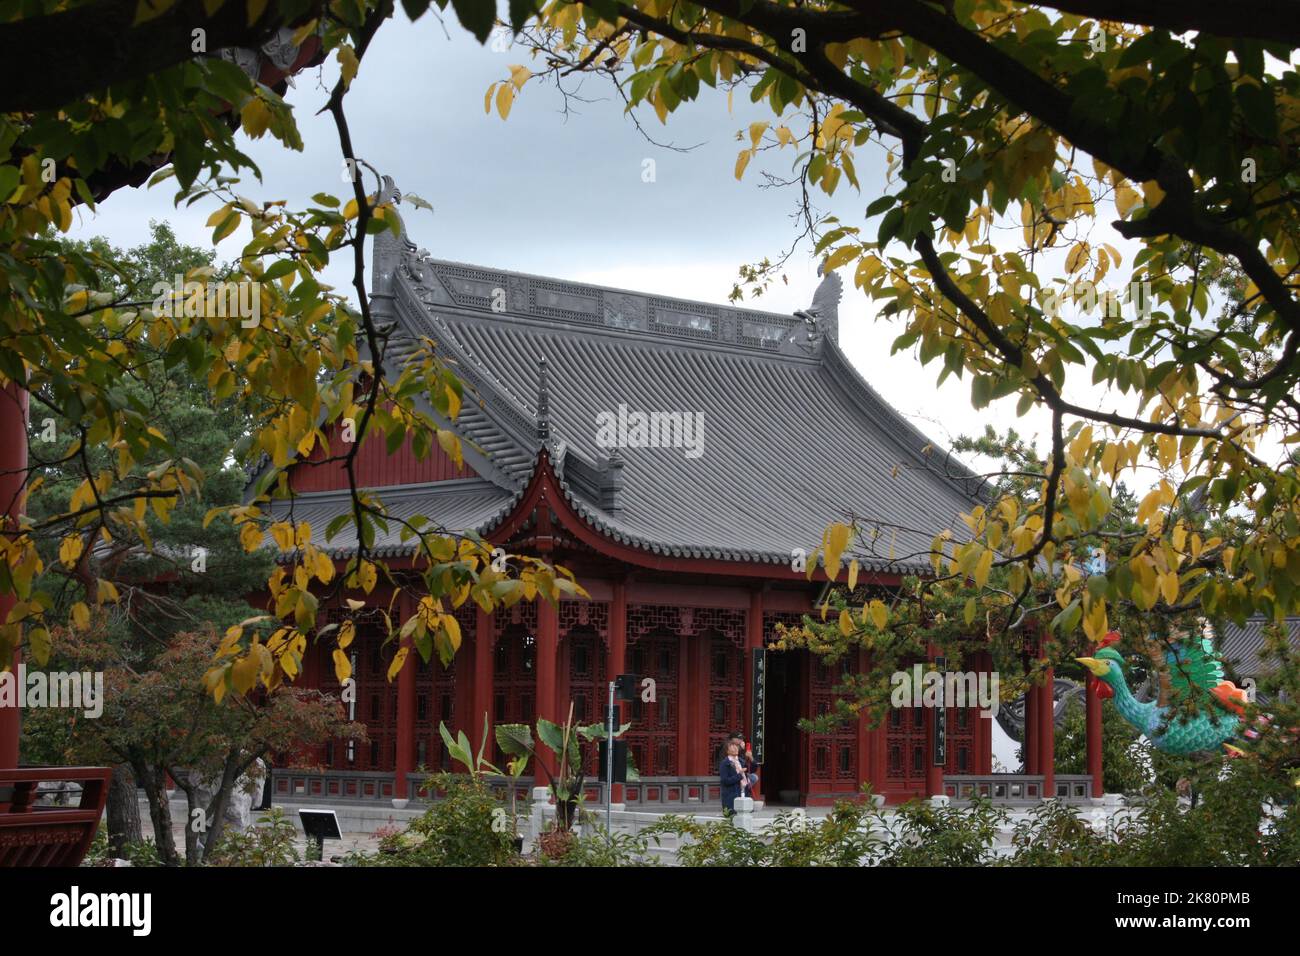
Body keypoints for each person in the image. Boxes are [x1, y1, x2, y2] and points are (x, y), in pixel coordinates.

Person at [719, 740, 746, 815]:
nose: (735, 748)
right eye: (732, 746)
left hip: (742, 792)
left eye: (736, 746)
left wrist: (751, 758)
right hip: (731, 795)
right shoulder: (725, 763)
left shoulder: (741, 761)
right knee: (732, 817)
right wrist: (740, 775)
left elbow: (752, 770)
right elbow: (725, 781)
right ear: (727, 751)